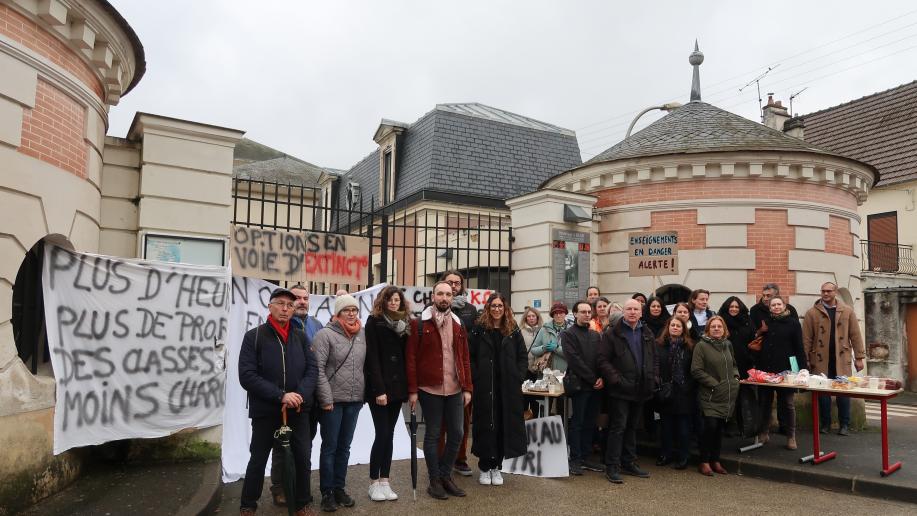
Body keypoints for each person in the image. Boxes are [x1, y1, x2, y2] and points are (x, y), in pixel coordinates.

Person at [239, 287, 318, 516]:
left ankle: (303, 502)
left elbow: (312, 370)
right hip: (266, 410)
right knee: (258, 458)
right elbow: (247, 375)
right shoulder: (253, 337)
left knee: (302, 457)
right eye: (281, 304)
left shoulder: (301, 337)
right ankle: (248, 504)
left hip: (298, 409)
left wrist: (299, 395)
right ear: (270, 306)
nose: (285, 309)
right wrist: (280, 395)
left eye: (289, 305)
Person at [406, 281, 473, 501]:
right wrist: (413, 390)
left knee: (458, 433)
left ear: (452, 298)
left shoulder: (458, 323)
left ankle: (445, 476)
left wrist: (467, 387)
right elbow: (411, 359)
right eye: (440, 294)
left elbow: (464, 357)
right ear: (433, 296)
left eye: (448, 294)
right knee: (433, 434)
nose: (444, 297)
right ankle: (434, 480)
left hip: (454, 388)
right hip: (429, 388)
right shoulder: (418, 324)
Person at [270, 284, 324, 508]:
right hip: (282, 399)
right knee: (282, 445)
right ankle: (280, 487)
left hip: (308, 399)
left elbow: (316, 364)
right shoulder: (282, 325)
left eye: (305, 298)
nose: (302, 302)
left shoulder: (317, 324)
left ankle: (300, 487)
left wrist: (306, 393)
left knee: (304, 446)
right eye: (297, 299)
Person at [313, 295, 367, 512]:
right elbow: (318, 370)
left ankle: (339, 488)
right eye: (347, 310)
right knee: (330, 448)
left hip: (354, 401)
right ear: (338, 313)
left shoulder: (362, 334)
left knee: (344, 447)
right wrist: (326, 399)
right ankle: (326, 492)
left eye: (354, 309)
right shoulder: (324, 335)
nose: (352, 313)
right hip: (332, 402)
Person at [469, 293, 527, 486]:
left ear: (505, 308)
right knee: (486, 426)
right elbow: (471, 356)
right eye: (493, 305)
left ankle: (497, 467)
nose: (497, 309)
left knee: (504, 426)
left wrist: (518, 376)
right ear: (488, 307)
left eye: (500, 306)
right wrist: (477, 377)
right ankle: (485, 466)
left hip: (507, 387)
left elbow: (522, 356)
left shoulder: (512, 329)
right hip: (486, 386)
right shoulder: (479, 329)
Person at [597, 299, 657, 484]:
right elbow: (602, 360)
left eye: (636, 309)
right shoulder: (612, 333)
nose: (632, 312)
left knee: (632, 428)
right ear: (623, 312)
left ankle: (628, 462)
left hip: (641, 388)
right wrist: (616, 379)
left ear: (641, 312)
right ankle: (612, 466)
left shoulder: (646, 332)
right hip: (620, 390)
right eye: (629, 309)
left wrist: (654, 377)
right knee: (618, 428)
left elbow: (654, 358)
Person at [363, 286, 409, 502]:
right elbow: (371, 356)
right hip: (379, 389)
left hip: (398, 387)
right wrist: (379, 389)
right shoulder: (374, 321)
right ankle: (373, 482)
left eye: (397, 299)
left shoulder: (404, 324)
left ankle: (385, 481)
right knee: (381, 433)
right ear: (383, 301)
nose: (393, 303)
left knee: (389, 435)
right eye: (390, 299)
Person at [803, 282, 867, 436]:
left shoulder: (847, 311)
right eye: (823, 291)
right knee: (823, 393)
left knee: (843, 392)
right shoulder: (812, 313)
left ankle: (844, 424)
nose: (825, 294)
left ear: (835, 292)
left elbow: (855, 335)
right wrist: (805, 360)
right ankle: (825, 424)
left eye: (828, 291)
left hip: (842, 358)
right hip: (819, 360)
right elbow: (806, 338)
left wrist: (859, 357)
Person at [437, 270, 477, 477]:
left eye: (457, 283)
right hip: (441, 372)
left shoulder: (471, 310)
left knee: (462, 421)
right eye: (449, 282)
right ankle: (441, 460)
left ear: (462, 286)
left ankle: (460, 459)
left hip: (463, 372)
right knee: (440, 423)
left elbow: (476, 340)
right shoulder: (435, 308)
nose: (453, 286)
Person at [754, 296, 806, 450]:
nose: (776, 307)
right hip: (766, 369)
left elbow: (799, 348)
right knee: (764, 403)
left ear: (784, 306)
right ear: (769, 308)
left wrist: (801, 370)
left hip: (787, 370)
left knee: (788, 404)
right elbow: (757, 342)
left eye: (779, 304)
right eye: (773, 305)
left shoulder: (793, 323)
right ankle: (764, 432)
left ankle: (791, 436)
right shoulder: (765, 323)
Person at [690, 316, 739, 476]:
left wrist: (736, 377)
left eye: (719, 326)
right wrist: (714, 383)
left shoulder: (728, 345)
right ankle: (704, 461)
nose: (716, 329)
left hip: (727, 394)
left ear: (724, 329)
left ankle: (715, 460)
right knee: (709, 428)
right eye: (713, 327)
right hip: (710, 395)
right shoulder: (701, 346)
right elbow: (696, 370)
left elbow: (734, 364)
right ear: (708, 330)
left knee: (719, 429)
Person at [563, 301, 605, 475]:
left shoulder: (595, 335)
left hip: (595, 386)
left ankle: (586, 457)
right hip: (580, 385)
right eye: (583, 312)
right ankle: (575, 459)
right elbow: (574, 360)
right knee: (578, 422)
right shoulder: (568, 334)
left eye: (589, 311)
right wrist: (593, 378)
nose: (587, 314)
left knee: (590, 423)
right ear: (575, 314)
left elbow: (601, 357)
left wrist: (601, 377)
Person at [655, 317, 696, 470]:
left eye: (678, 326)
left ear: (683, 329)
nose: (675, 327)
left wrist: (687, 386)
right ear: (668, 327)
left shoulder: (690, 347)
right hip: (666, 393)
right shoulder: (659, 345)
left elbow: (694, 370)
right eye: (672, 325)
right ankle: (666, 455)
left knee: (684, 429)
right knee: (666, 428)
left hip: (684, 393)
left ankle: (683, 457)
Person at [718, 296, 756, 437]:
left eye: (736, 307)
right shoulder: (720, 321)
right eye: (731, 307)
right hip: (724, 365)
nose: (733, 309)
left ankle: (742, 426)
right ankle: (727, 426)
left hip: (744, 364)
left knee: (742, 397)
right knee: (726, 396)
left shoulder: (748, 321)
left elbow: (754, 342)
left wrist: (751, 358)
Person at [531, 302, 570, 372]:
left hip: (565, 372)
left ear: (565, 314)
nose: (558, 315)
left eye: (561, 313)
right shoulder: (544, 329)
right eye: (555, 313)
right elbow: (533, 350)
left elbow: (574, 353)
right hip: (546, 372)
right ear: (552, 315)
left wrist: (557, 348)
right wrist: (543, 348)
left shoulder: (571, 330)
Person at [520, 307, 544, 418]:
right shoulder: (520, 331)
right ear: (525, 318)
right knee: (524, 397)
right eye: (529, 316)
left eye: (533, 316)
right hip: (525, 369)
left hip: (538, 370)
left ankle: (535, 421)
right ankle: (525, 423)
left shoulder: (543, 330)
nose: (531, 318)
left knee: (536, 399)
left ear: (537, 317)